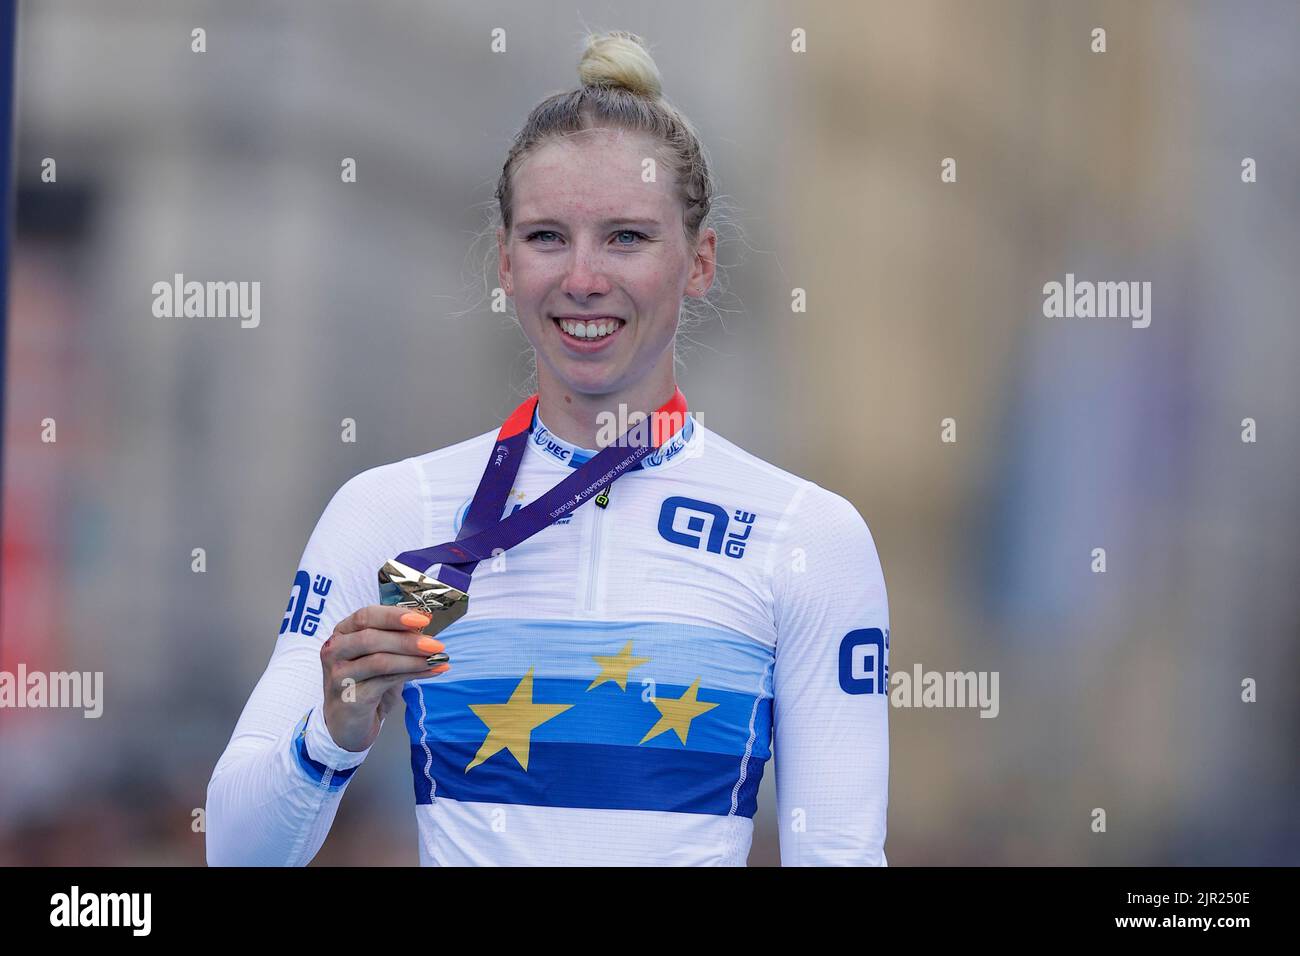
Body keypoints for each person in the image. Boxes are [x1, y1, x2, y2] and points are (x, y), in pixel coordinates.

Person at [205, 30, 889, 867]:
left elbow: (841, 858)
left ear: (700, 262)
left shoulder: (808, 537)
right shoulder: (389, 510)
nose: (583, 279)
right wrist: (330, 734)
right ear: (503, 260)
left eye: (628, 238)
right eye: (546, 237)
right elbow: (236, 853)